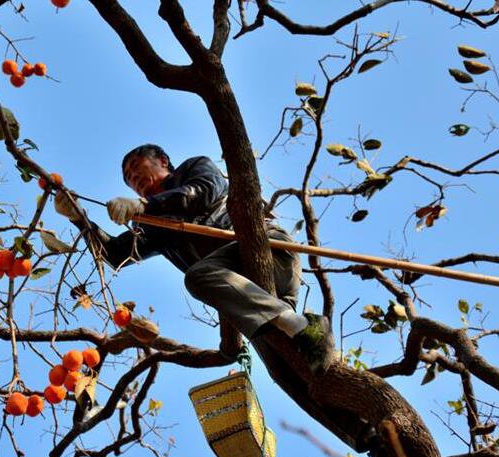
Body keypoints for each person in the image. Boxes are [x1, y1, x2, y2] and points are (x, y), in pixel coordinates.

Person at [53, 144, 334, 374]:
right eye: (128, 179)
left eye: (136, 168)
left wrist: (148, 205)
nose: (133, 180)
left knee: (198, 276)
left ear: (163, 160)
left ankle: (299, 325)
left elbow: (203, 192)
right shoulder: (154, 225)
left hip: (268, 252)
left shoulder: (194, 168)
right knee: (285, 370)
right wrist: (80, 220)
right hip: (251, 296)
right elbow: (115, 254)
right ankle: (362, 433)